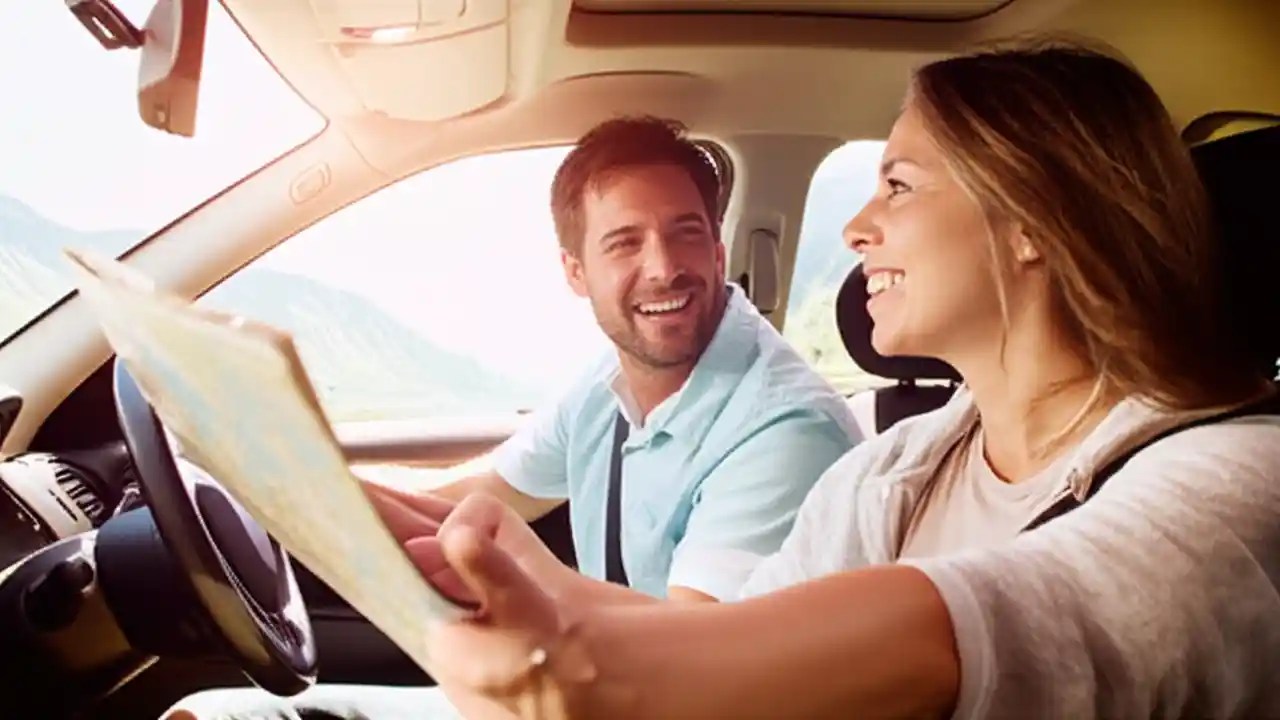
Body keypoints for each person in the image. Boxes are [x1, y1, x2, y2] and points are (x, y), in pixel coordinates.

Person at [373, 38, 1280, 719]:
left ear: (1034, 220)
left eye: (899, 186)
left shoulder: (1239, 480)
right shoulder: (898, 472)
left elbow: (1030, 618)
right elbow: (719, 644)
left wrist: (580, 659)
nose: (856, 229)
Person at [164, 117, 862, 718]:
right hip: (588, 695)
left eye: (686, 235)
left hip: (652, 702)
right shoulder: (610, 383)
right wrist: (277, 473)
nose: (664, 268)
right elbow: (477, 502)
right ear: (575, 272)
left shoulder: (785, 432)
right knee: (211, 714)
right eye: (624, 242)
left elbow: (690, 663)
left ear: (716, 251)